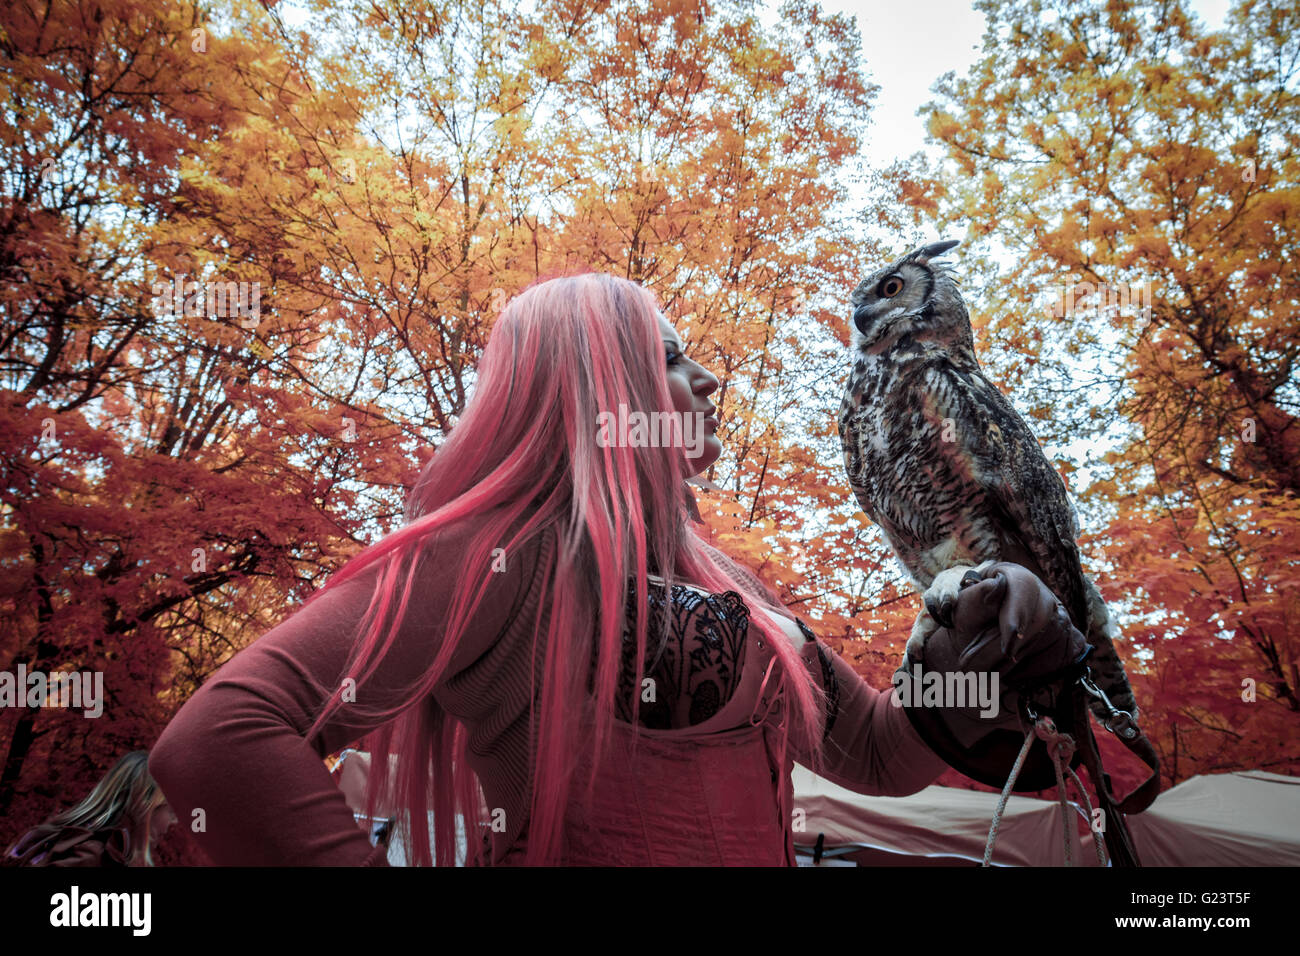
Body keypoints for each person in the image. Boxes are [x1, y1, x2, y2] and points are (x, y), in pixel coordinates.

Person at [149, 272, 1073, 866]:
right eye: (670, 357)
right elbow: (217, 738)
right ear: (596, 384)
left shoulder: (742, 591)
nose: (708, 378)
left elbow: (878, 754)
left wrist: (982, 639)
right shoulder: (502, 549)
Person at [5, 750, 177, 867]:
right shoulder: (93, 856)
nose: (172, 822)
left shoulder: (68, 838)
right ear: (142, 803)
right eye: (169, 810)